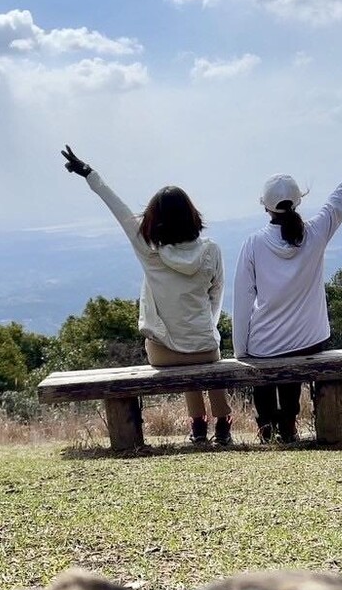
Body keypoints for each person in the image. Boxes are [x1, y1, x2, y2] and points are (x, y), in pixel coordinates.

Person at [232, 131, 342, 443]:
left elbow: (243, 302)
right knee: (292, 353)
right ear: (299, 201)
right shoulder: (316, 232)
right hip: (311, 340)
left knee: (268, 358)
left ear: (265, 207)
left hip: (265, 346)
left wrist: (241, 352)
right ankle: (288, 425)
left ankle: (267, 428)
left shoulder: (253, 244)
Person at [60, 145, 233, 445]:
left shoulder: (148, 252)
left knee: (172, 339)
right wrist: (208, 330)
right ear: (192, 216)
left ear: (155, 218)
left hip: (164, 355)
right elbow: (216, 297)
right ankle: (223, 423)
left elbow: (121, 212)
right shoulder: (211, 251)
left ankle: (197, 423)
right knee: (200, 356)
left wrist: (89, 173)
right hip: (206, 347)